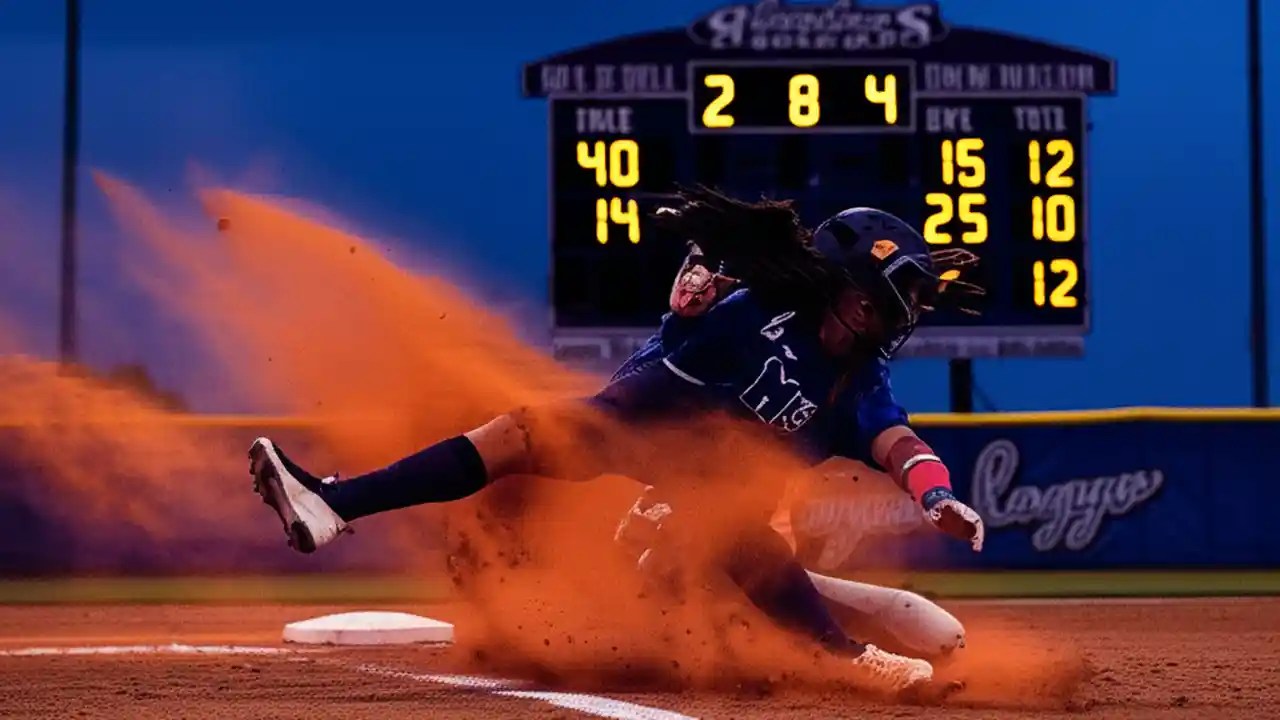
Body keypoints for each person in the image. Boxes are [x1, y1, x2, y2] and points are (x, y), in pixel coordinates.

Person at [247, 186, 986, 693]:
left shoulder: (856, 381)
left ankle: (843, 658)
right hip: (635, 426)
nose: (906, 311)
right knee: (520, 433)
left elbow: (900, 446)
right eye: (897, 294)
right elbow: (697, 311)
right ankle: (332, 502)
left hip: (699, 502)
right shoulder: (757, 309)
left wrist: (940, 495)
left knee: (724, 534)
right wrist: (696, 295)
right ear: (852, 292)